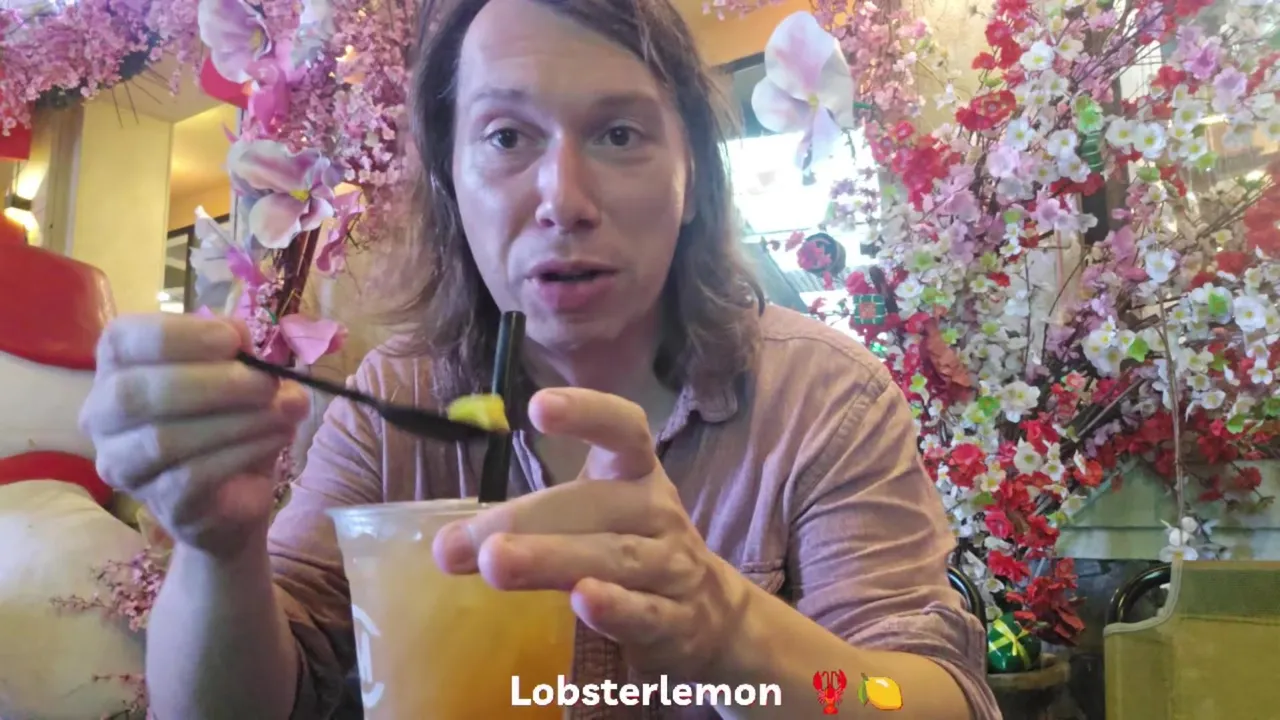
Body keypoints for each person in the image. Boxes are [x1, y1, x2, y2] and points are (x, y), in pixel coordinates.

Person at [79, 0, 1001, 717]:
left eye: (620, 134)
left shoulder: (823, 399)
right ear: (452, 183)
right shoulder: (398, 394)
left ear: (693, 181)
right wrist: (217, 550)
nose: (563, 198)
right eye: (506, 137)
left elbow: (914, 696)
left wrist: (732, 629)